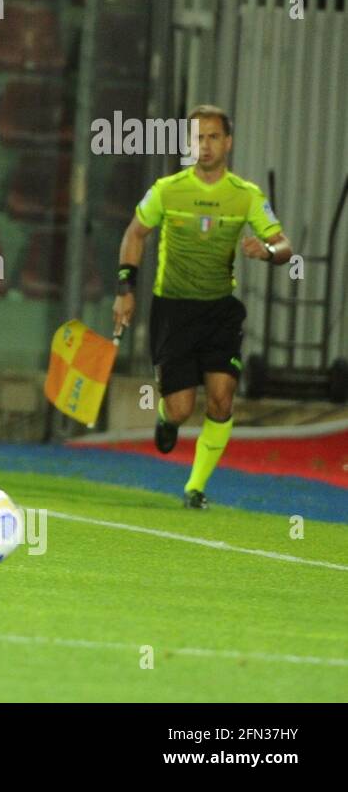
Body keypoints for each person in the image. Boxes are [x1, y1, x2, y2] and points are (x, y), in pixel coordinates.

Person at [112, 104, 293, 508]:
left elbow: (284, 246)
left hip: (219, 311)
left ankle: (195, 488)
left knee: (222, 399)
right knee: (181, 409)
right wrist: (126, 288)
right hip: (173, 310)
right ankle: (165, 417)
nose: (205, 145)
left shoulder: (245, 196)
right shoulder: (168, 190)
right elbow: (135, 233)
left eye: (213, 137)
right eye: (197, 138)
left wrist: (265, 249)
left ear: (227, 142)